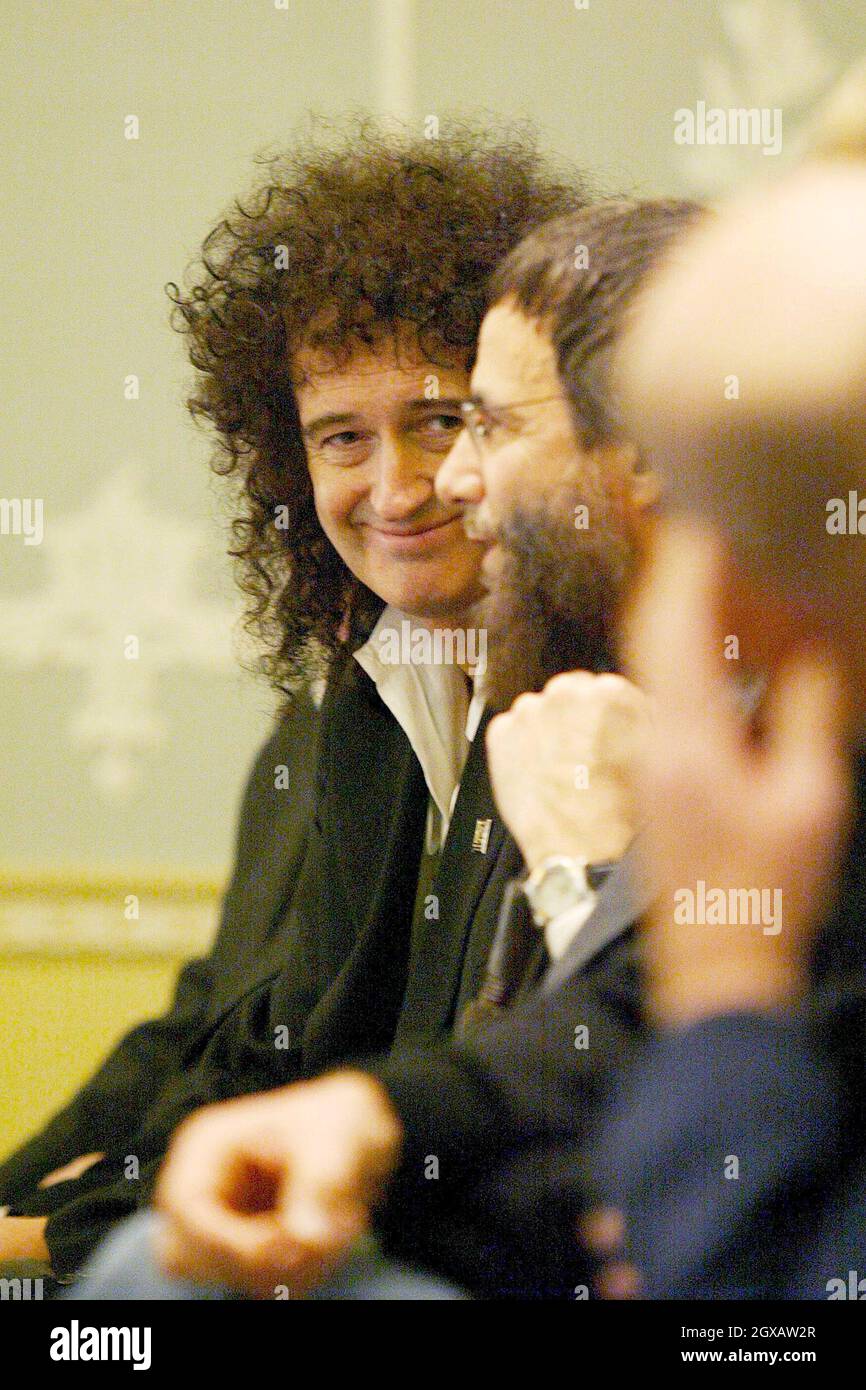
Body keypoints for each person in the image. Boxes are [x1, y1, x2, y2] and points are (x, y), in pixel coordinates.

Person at [67, 198, 708, 1301]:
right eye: (340, 438)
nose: (429, 486)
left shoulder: (633, 709)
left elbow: (680, 1112)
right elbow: (243, 1040)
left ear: (644, 456)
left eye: (470, 425)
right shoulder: (359, 702)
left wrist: (582, 878)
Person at [5, 119, 590, 1284]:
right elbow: (275, 1038)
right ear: (288, 461)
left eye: (438, 420)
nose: (399, 487)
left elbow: (424, 1067)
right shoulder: (375, 682)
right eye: (340, 438)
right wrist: (43, 1211)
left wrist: (52, 1243)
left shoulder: (585, 681)